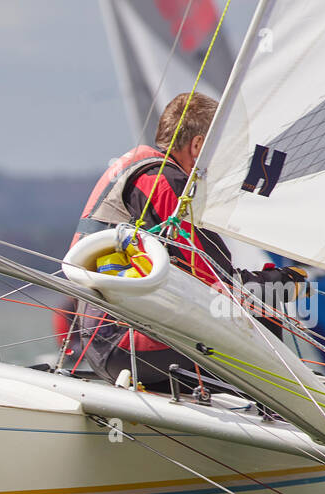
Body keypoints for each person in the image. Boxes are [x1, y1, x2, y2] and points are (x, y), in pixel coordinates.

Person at [63, 93, 307, 388]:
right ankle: (293, 423)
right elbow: (217, 286)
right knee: (264, 322)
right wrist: (280, 285)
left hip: (109, 342)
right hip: (126, 344)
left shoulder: (143, 174)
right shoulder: (164, 184)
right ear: (198, 146)